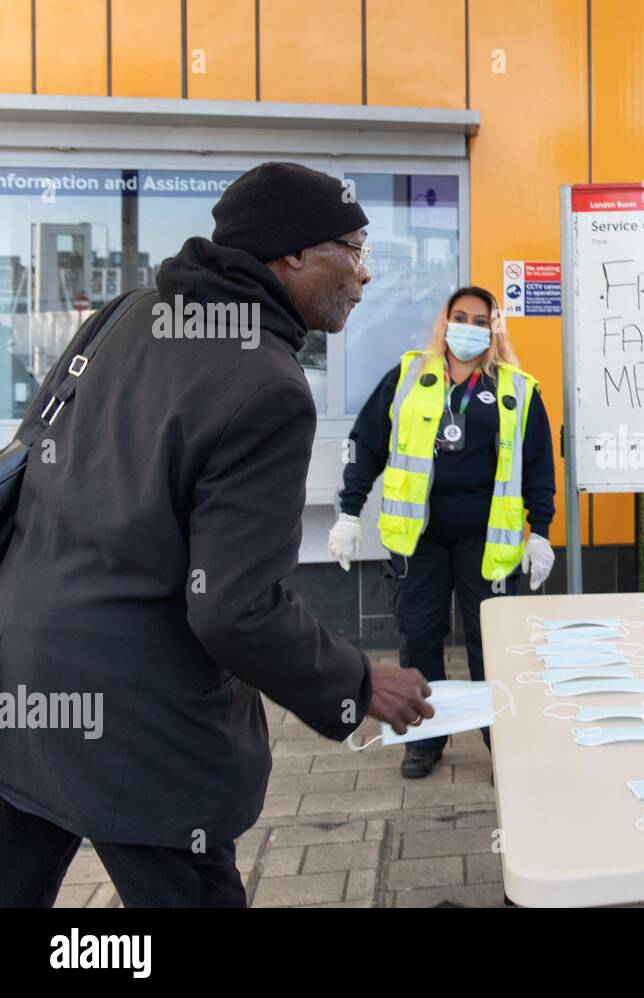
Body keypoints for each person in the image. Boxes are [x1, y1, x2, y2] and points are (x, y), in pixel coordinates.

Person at [0, 162, 434, 908]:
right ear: (293, 252)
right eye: (355, 251)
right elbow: (234, 606)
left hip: (23, 678)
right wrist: (358, 682)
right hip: (139, 717)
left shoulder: (125, 313)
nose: (365, 277)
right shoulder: (266, 386)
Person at [328, 286, 556, 779]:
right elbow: (365, 444)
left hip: (486, 543)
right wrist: (348, 513)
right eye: (460, 317)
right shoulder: (410, 376)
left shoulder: (518, 389)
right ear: (444, 321)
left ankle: (503, 742)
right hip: (419, 541)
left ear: (493, 328)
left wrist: (541, 531)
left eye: (480, 320)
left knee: (491, 646)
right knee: (421, 641)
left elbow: (539, 464)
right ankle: (424, 740)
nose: (469, 328)